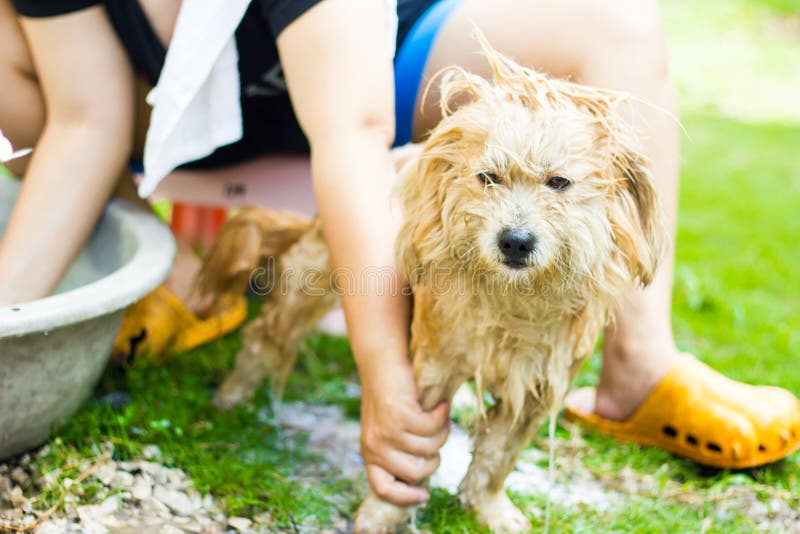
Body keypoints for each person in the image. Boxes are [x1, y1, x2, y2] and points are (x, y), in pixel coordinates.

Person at [1, 0, 797, 505]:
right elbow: (83, 117)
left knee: (619, 24)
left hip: (378, 70)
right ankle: (171, 276)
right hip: (166, 103)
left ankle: (637, 364)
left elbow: (352, 131)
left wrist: (385, 370)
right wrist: (11, 332)